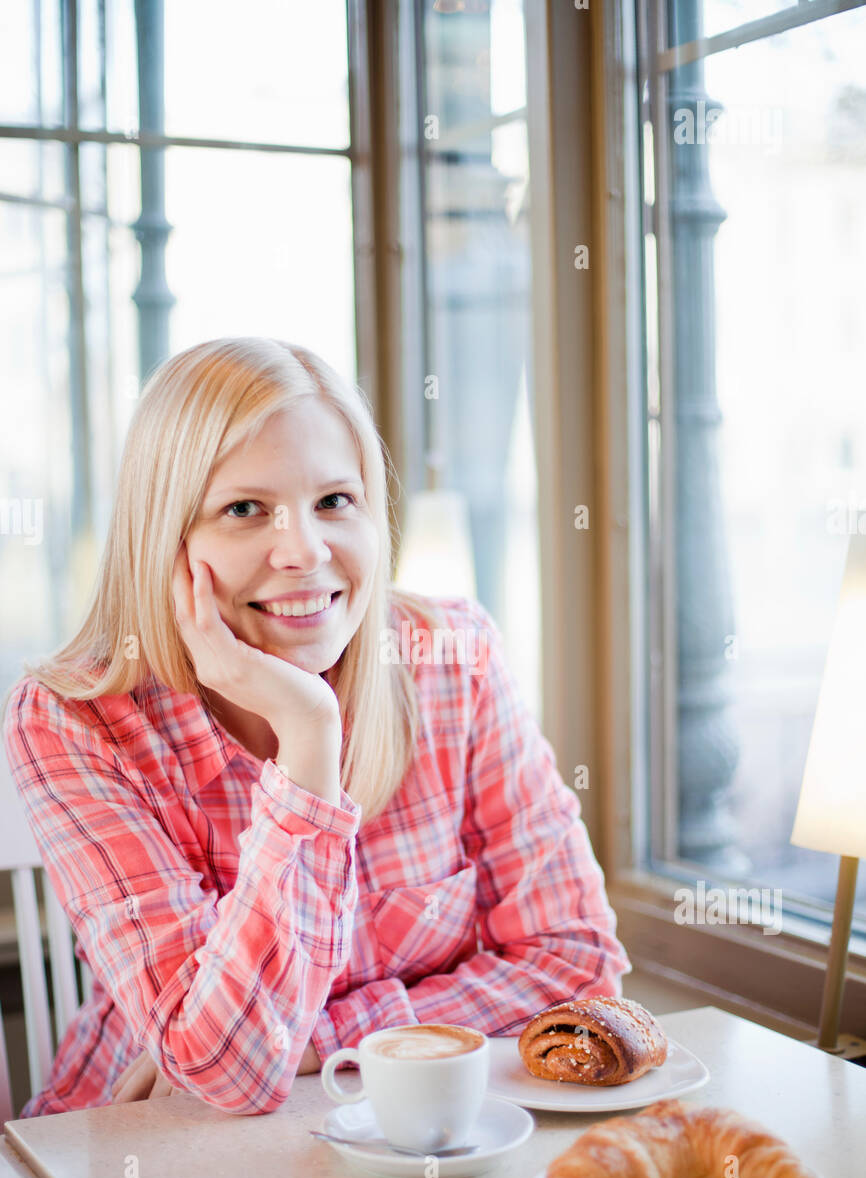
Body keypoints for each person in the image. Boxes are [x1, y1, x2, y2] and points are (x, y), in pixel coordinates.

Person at [2, 336, 631, 1117]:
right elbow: (226, 1075)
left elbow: (578, 964)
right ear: (163, 541)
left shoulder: (449, 657)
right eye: (243, 510)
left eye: (335, 501)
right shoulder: (78, 719)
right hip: (148, 1141)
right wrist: (308, 737)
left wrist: (322, 1039)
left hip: (390, 1126)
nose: (304, 551)